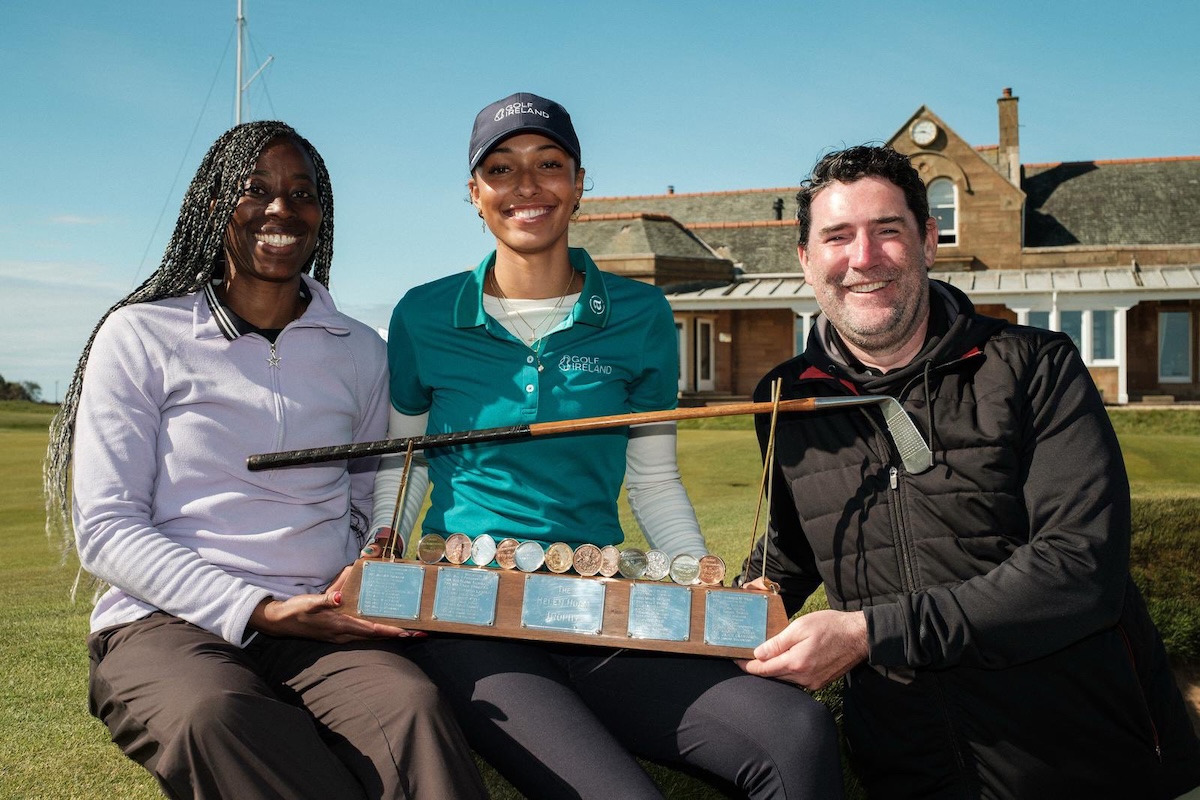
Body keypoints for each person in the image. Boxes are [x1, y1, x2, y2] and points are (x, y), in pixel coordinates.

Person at [367, 92, 844, 800]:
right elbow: (399, 465)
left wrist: (707, 583)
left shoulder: (640, 314)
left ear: (580, 182)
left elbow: (652, 481)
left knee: (795, 736)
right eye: (501, 169)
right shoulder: (424, 314)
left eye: (548, 163)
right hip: (467, 615)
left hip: (598, 605)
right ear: (475, 193)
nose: (526, 185)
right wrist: (382, 545)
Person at [736, 143, 1200, 799]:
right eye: (837, 236)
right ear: (807, 261)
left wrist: (872, 635)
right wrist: (720, 607)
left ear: (928, 241)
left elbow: (1079, 567)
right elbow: (792, 543)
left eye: (887, 231)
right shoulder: (787, 396)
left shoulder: (1034, 365)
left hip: (1081, 762)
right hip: (909, 768)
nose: (862, 258)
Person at [43, 121, 486, 800]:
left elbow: (372, 500)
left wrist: (366, 562)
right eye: (256, 190)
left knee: (413, 710)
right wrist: (256, 608)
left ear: (320, 217)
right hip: (167, 622)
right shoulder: (140, 335)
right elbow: (107, 527)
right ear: (216, 206)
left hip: (321, 619)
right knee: (215, 715)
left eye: (302, 193)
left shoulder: (360, 349)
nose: (282, 209)